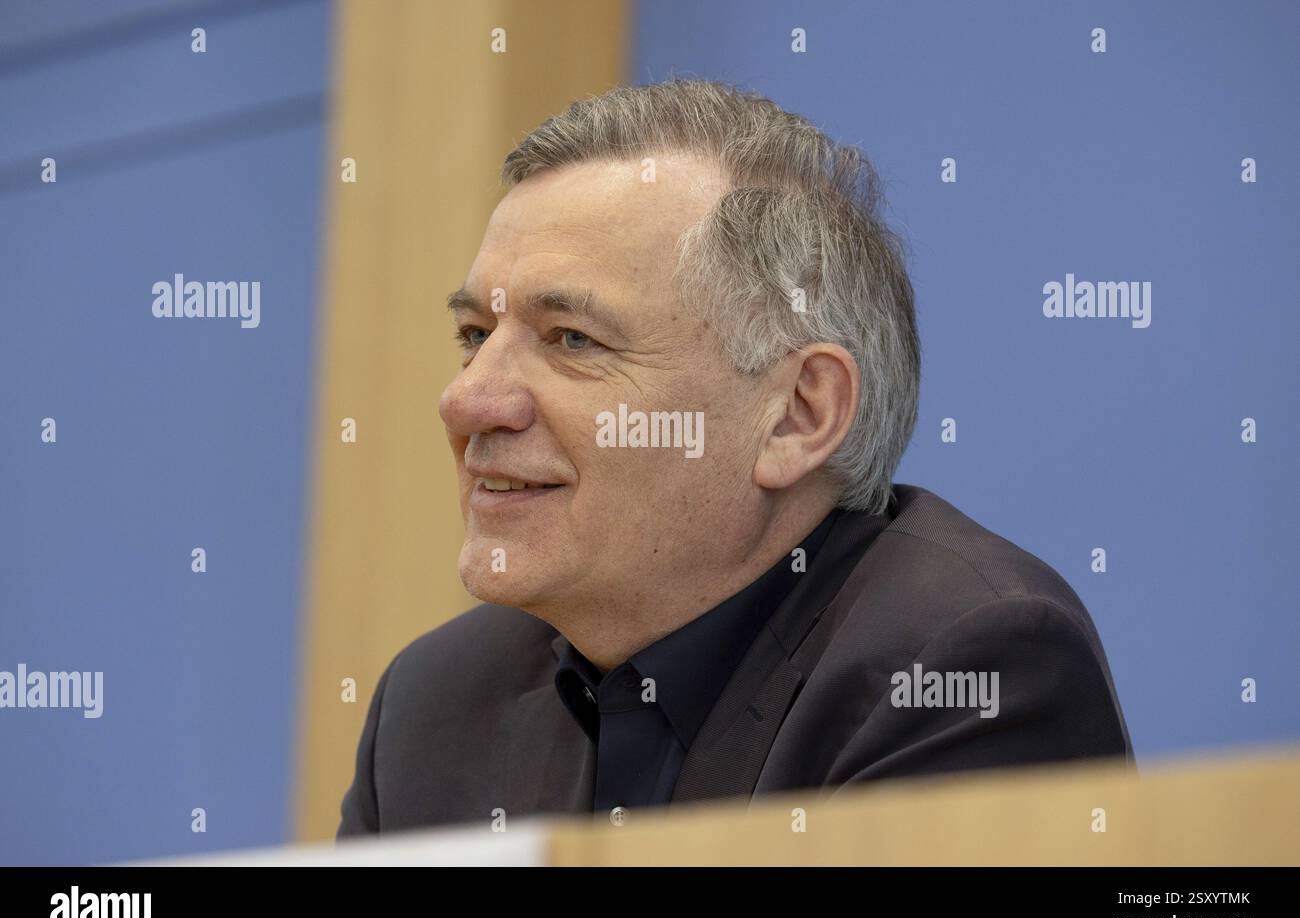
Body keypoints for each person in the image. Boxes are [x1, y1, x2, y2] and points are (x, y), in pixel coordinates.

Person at [338, 79, 1131, 836]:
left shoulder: (962, 662)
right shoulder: (434, 704)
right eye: (475, 336)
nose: (467, 400)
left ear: (795, 416)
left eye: (572, 340)